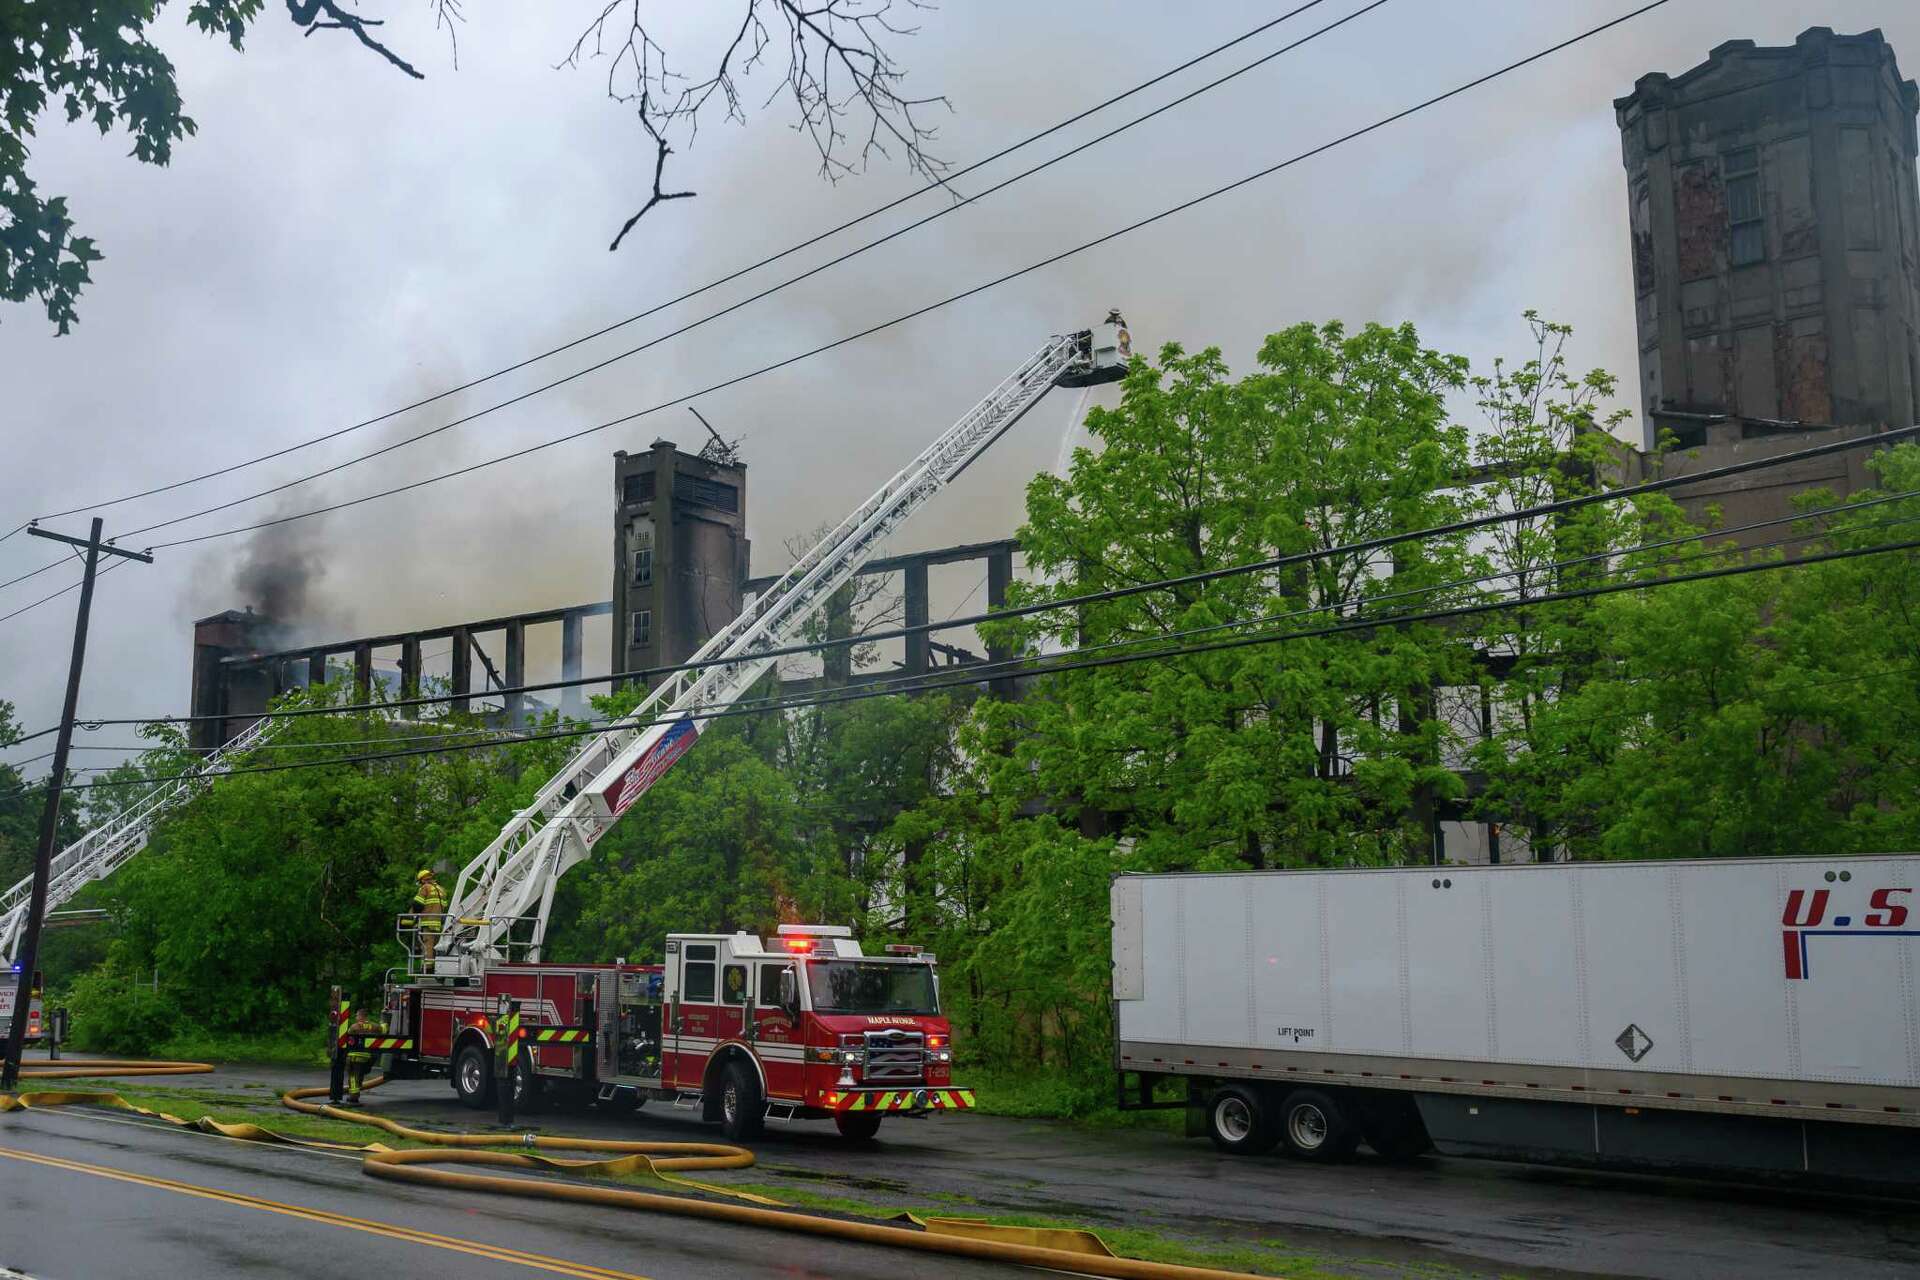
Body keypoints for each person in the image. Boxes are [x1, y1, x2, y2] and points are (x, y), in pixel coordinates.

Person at [345, 1006, 382, 1105]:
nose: (356, 1017)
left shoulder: (354, 1027)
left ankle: (353, 1097)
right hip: (367, 1056)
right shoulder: (375, 1026)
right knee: (360, 1075)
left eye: (357, 1015)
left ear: (361, 1016)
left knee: (353, 1076)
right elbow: (383, 1030)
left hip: (355, 1056)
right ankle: (357, 1090)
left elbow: (347, 1038)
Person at [412, 868, 448, 959]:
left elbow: (417, 905)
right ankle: (435, 967)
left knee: (427, 947)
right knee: (435, 947)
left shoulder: (425, 887)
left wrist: (414, 917)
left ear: (423, 880)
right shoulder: (441, 889)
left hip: (427, 923)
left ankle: (427, 969)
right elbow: (444, 906)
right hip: (439, 924)